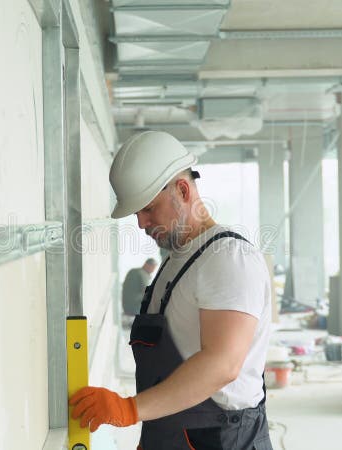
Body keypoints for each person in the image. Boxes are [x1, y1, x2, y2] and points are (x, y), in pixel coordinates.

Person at [69, 131, 274, 449]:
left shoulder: (228, 259)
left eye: (148, 208)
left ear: (182, 189)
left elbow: (222, 364)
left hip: (219, 441)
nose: (140, 223)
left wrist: (129, 409)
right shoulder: (176, 262)